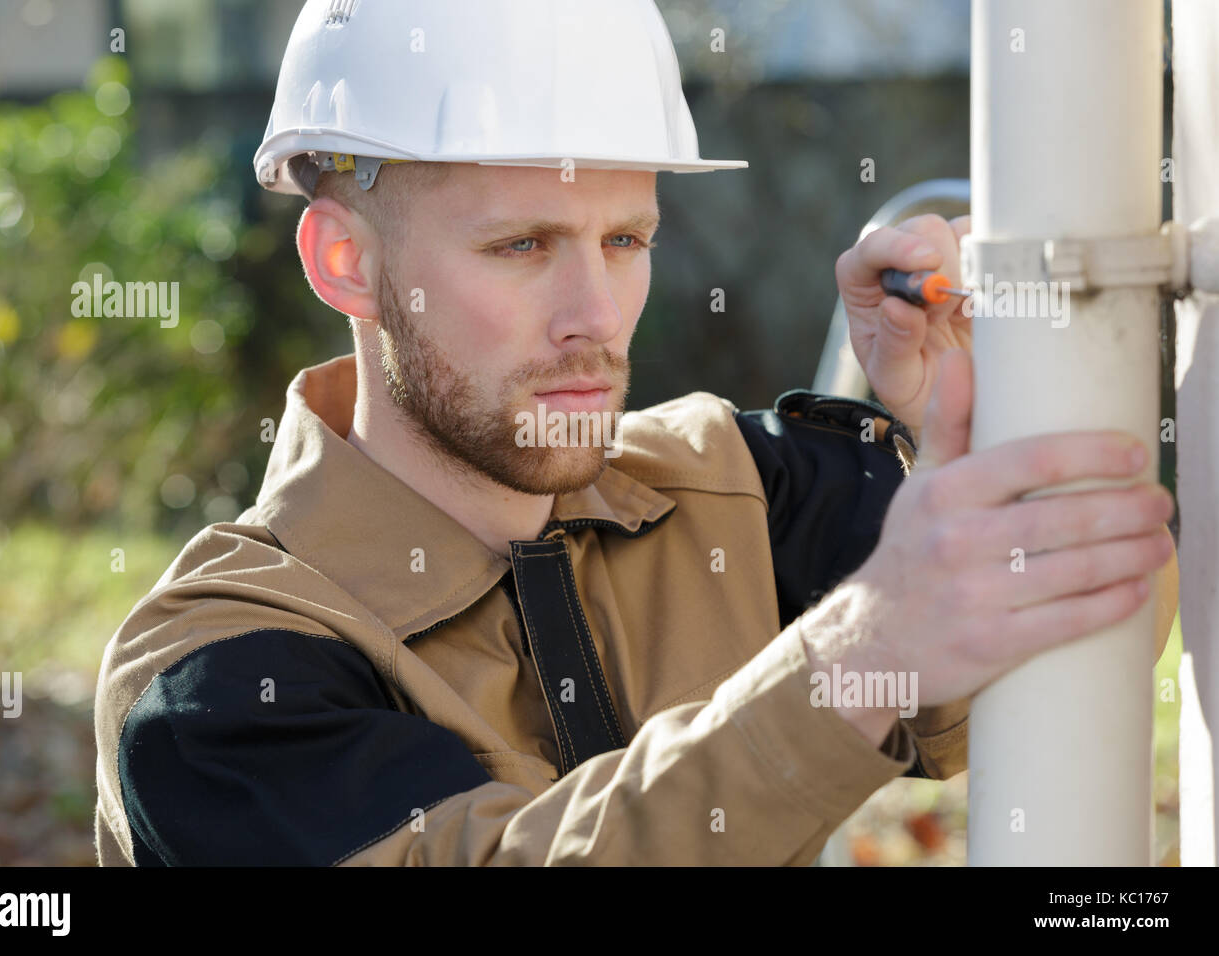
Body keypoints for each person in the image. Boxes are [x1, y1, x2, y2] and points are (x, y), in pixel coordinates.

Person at [93, 0, 1178, 866]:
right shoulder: (217, 674)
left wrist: (985, 426)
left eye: (625, 237)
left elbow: (1060, 645)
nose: (596, 316)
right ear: (345, 262)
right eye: (521, 246)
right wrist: (863, 654)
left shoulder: (731, 487)